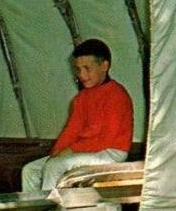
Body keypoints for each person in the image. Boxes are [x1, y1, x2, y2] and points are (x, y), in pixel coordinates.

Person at [21, 38, 133, 192]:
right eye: (78, 69)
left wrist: (70, 151)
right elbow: (71, 129)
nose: (82, 75)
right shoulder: (82, 97)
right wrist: (57, 151)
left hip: (110, 151)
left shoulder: (117, 95)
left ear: (104, 66)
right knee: (30, 170)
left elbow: (106, 139)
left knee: (54, 167)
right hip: (85, 150)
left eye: (87, 68)